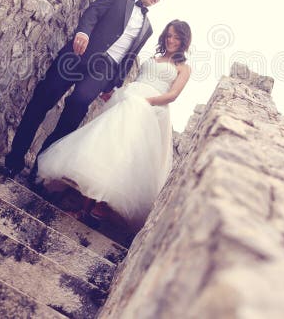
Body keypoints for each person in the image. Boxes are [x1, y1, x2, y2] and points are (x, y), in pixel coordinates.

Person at [0, 0, 169, 180]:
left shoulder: (147, 28)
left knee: (76, 108)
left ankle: (41, 171)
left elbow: (129, 56)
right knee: (41, 101)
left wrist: (114, 84)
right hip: (79, 53)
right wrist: (83, 33)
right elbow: (93, 12)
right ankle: (13, 161)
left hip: (103, 70)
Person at [35, 20, 192, 231]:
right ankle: (86, 205)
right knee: (110, 146)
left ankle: (99, 208)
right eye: (169, 35)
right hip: (128, 98)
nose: (171, 40)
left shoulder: (183, 68)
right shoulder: (153, 58)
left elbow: (172, 95)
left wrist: (145, 102)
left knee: (127, 153)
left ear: (184, 41)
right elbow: (138, 79)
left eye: (177, 37)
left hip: (151, 108)